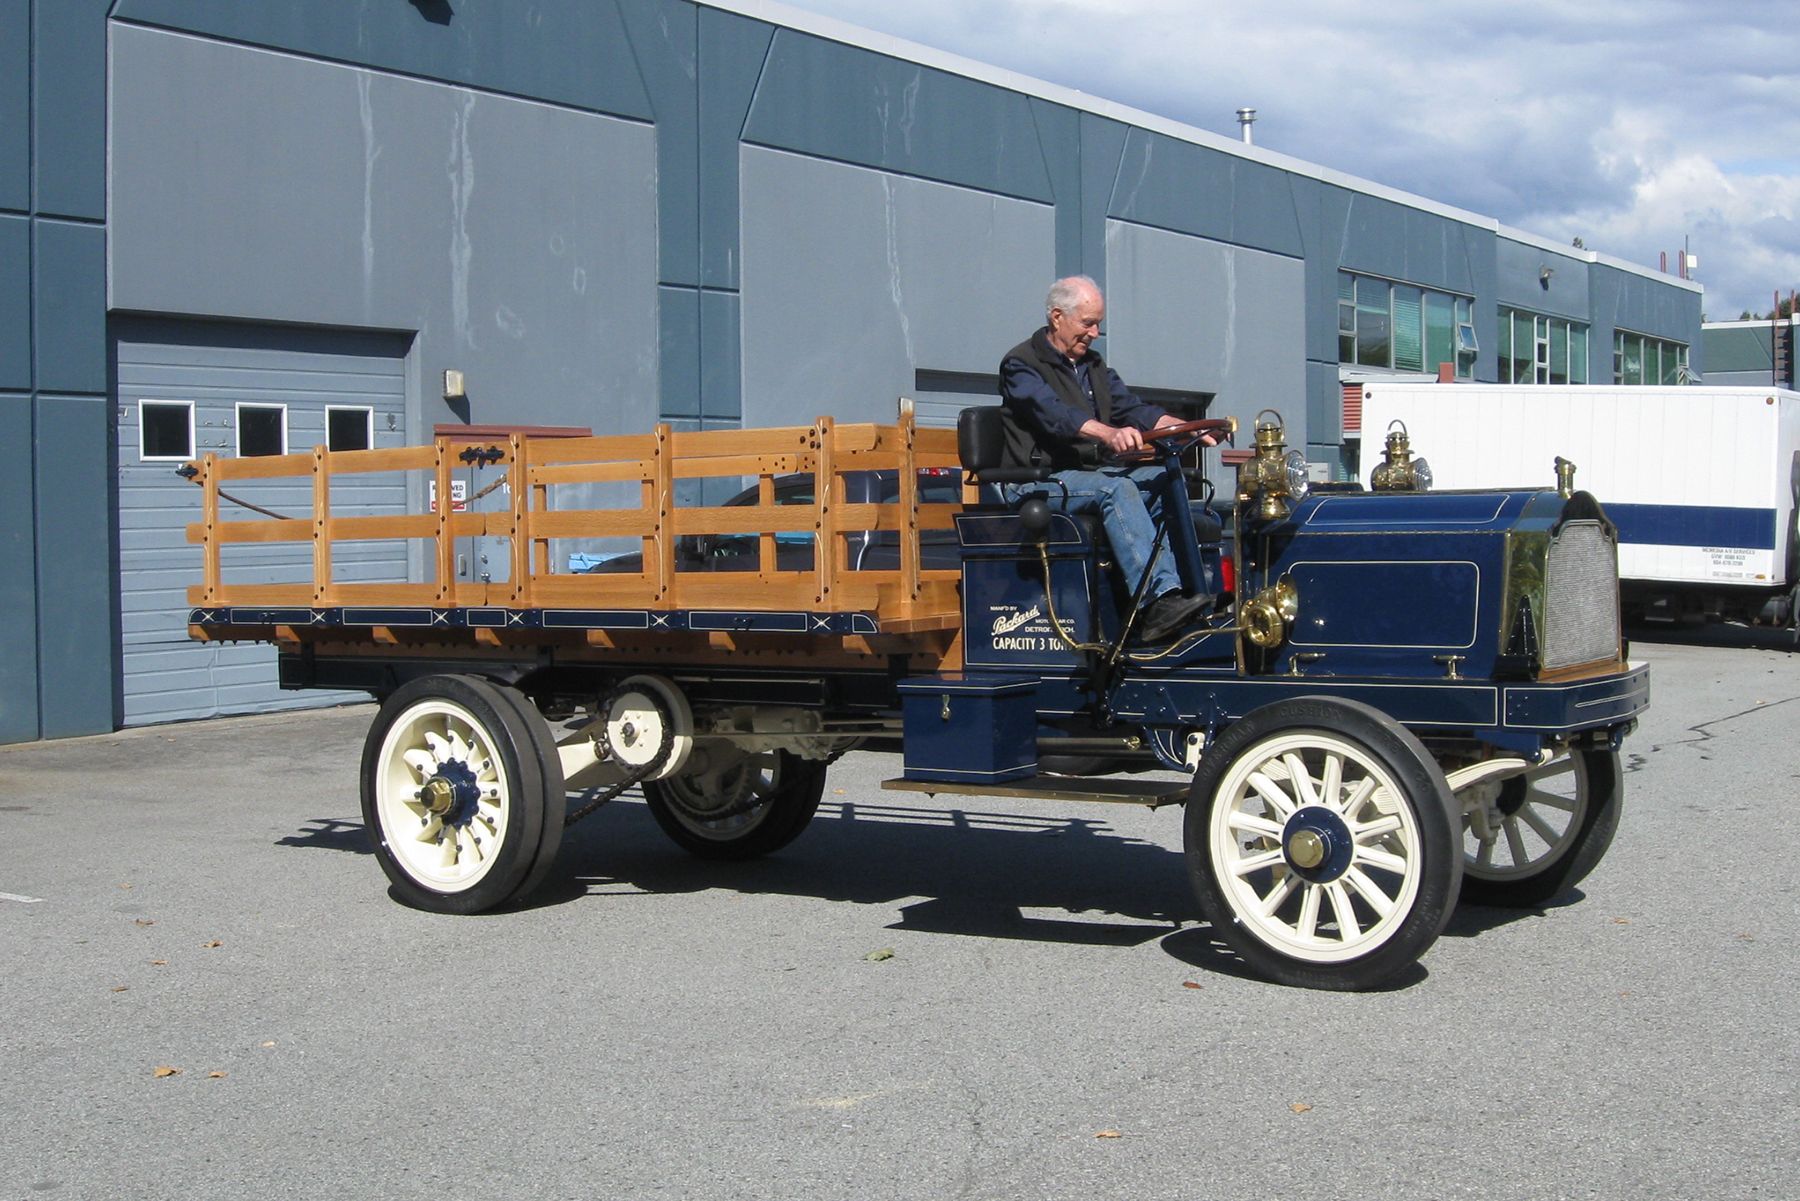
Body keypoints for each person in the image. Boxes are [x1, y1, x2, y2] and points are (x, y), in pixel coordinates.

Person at [998, 275, 1212, 643]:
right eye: (1088, 323)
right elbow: (1054, 414)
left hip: (1085, 476)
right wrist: (1108, 433)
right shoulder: (1021, 364)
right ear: (1057, 316)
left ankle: (1188, 594)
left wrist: (1181, 426)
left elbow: (1132, 407)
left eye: (1098, 324)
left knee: (1163, 478)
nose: (1095, 332)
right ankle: (1156, 603)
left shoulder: (1093, 367)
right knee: (1118, 488)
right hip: (1036, 480)